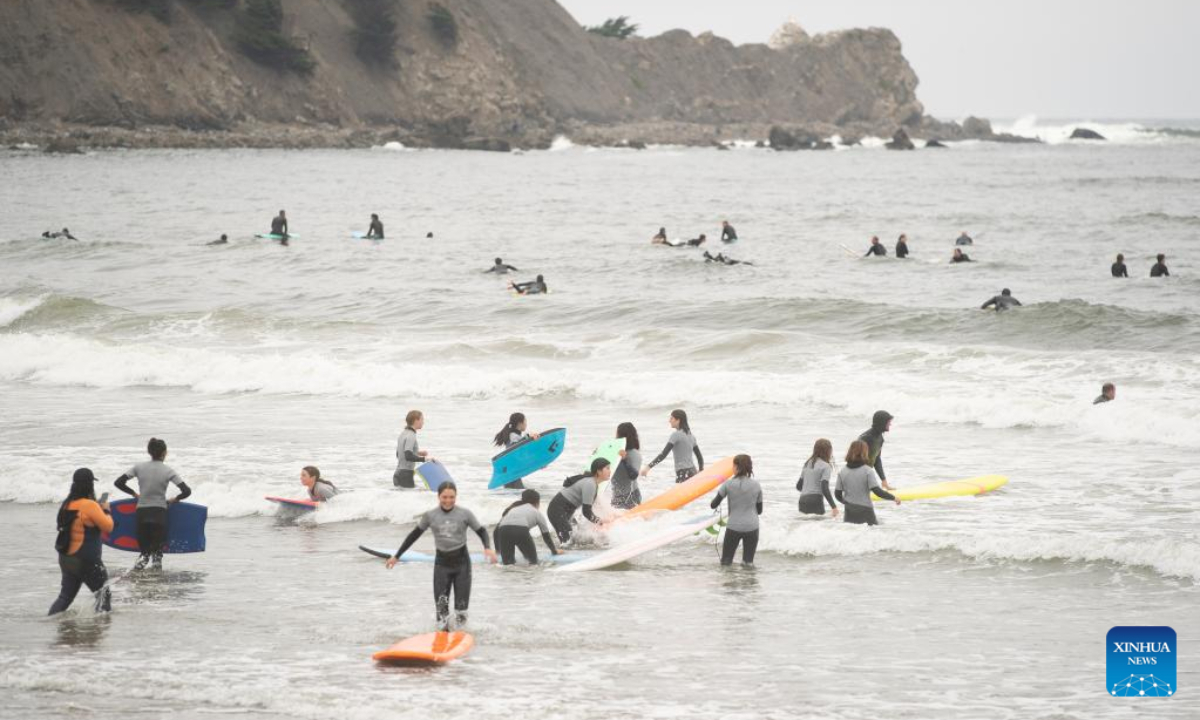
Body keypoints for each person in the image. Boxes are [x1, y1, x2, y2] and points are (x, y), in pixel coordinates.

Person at [384, 482, 495, 629]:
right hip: (442, 565)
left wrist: (487, 547)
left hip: (462, 564)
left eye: (452, 497)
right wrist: (397, 556)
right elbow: (413, 535)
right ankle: (442, 635)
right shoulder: (430, 515)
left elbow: (481, 531)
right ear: (438, 496)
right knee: (441, 608)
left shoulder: (465, 514)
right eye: (444, 497)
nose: (448, 500)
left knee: (461, 609)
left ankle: (460, 636)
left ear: (456, 497)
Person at [113, 438, 192, 570]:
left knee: (144, 555)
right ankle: (157, 585)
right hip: (159, 513)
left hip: (142, 513)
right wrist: (175, 499)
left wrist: (134, 494)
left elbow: (118, 482)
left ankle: (137, 581)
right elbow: (186, 491)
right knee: (157, 557)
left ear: (149, 452)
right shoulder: (168, 471)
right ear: (164, 453)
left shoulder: (138, 467)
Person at [49, 468, 114, 615]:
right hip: (86, 560)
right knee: (104, 597)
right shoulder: (89, 505)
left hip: (66, 558)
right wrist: (106, 510)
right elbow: (108, 526)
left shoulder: (67, 504)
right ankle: (100, 631)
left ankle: (49, 624)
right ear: (90, 484)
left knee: (65, 598)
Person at [710, 454, 762, 566]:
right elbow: (759, 510)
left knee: (726, 562)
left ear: (737, 467)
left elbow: (713, 504)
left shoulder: (728, 484)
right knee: (748, 563)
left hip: (734, 527)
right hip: (752, 527)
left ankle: (729, 582)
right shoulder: (756, 485)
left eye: (733, 466)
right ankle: (748, 582)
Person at [547, 458, 611, 544]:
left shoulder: (593, 483)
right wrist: (599, 522)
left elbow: (595, 506)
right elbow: (586, 512)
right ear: (599, 471)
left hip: (566, 511)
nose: (610, 471)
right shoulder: (590, 484)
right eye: (607, 468)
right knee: (568, 541)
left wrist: (609, 517)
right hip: (557, 510)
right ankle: (561, 553)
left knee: (579, 537)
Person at [835, 440, 899, 525]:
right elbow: (877, 491)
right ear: (864, 453)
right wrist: (894, 498)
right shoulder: (867, 471)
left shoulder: (842, 472)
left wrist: (846, 503)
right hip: (865, 511)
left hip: (849, 512)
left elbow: (837, 494)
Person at [494, 489, 561, 565]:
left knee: (508, 564)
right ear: (537, 502)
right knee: (533, 563)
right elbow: (546, 536)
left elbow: (496, 531)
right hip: (520, 531)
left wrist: (498, 552)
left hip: (503, 530)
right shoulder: (537, 513)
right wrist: (554, 551)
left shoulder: (513, 509)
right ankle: (528, 575)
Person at [642, 409, 704, 483]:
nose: (669, 421)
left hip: (683, 473)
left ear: (678, 420)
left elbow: (663, 454)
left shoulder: (675, 435)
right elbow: (700, 457)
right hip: (693, 472)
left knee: (680, 494)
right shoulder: (691, 436)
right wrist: (700, 470)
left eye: (671, 418)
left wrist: (648, 467)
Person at [492, 413, 539, 489]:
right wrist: (528, 437)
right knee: (517, 492)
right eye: (525, 421)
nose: (526, 424)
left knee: (512, 493)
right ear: (520, 423)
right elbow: (516, 448)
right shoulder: (513, 436)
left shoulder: (513, 435)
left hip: (510, 470)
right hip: (511, 471)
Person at [796, 438, 839, 518]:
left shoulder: (807, 464)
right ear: (828, 451)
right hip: (815, 500)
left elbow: (799, 486)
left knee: (804, 528)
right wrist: (834, 507)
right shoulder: (826, 466)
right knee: (818, 528)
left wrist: (809, 487)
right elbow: (824, 488)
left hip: (802, 500)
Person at [393, 410, 431, 489]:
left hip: (398, 474)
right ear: (416, 420)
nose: (423, 422)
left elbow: (399, 454)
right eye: (422, 419)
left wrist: (417, 452)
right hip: (405, 475)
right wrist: (425, 459)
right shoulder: (411, 435)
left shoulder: (403, 433)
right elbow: (408, 456)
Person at [609, 422, 643, 510]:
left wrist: (623, 461)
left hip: (630, 497)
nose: (615, 436)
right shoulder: (615, 454)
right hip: (617, 497)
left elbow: (633, 475)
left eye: (617, 433)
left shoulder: (634, 454)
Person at [858, 411, 894, 492]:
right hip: (857, 477)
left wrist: (883, 480)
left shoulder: (880, 438)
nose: (890, 424)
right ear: (882, 423)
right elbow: (854, 460)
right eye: (888, 422)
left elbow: (876, 459)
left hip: (866, 475)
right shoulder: (865, 438)